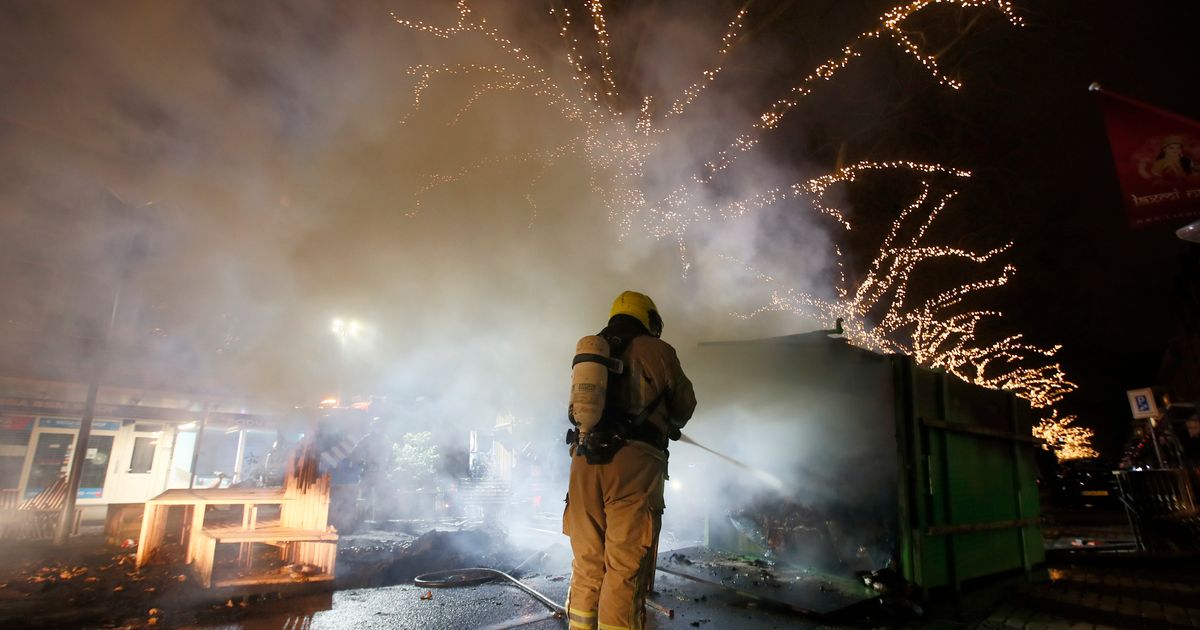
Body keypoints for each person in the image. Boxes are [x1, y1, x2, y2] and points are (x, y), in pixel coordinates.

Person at [563, 290, 697, 630]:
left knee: (588, 566)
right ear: (648, 319)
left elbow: (574, 412)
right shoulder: (658, 350)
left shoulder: (592, 352)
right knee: (623, 572)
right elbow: (685, 406)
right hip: (632, 468)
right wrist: (667, 420)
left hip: (582, 462)